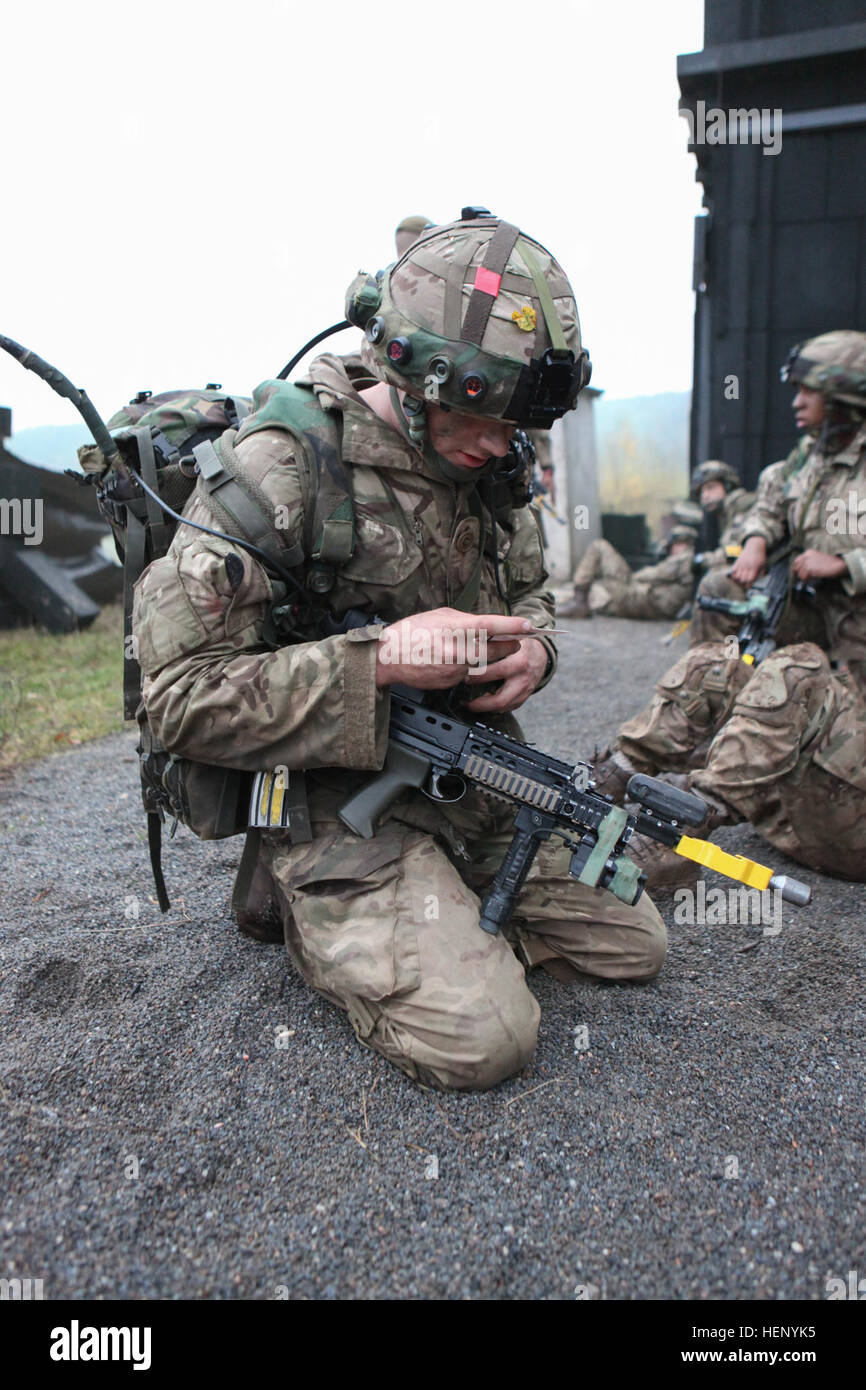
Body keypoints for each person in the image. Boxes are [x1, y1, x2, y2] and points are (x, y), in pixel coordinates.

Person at [132, 211, 666, 1091]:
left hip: (468, 780)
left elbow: (533, 596)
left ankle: (439, 922)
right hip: (333, 803)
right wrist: (377, 663)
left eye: (517, 423)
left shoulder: (493, 462)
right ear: (411, 374)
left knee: (633, 943)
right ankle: (314, 914)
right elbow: (179, 701)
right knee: (488, 1041)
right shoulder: (282, 471)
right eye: (484, 416)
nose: (504, 445)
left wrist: (537, 647)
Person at [590, 330, 866, 887]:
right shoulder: (807, 463)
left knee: (794, 671)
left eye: (809, 390)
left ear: (846, 395)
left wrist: (849, 563)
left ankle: (677, 836)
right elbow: (769, 506)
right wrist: (760, 540)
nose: (795, 401)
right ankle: (601, 787)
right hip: (834, 702)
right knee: (723, 661)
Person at [557, 525, 699, 620]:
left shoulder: (685, 558)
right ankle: (577, 598)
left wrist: (631, 577)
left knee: (599, 546)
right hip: (641, 600)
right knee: (596, 590)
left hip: (639, 598)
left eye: (677, 545)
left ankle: (579, 601)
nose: (673, 549)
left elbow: (655, 574)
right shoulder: (688, 562)